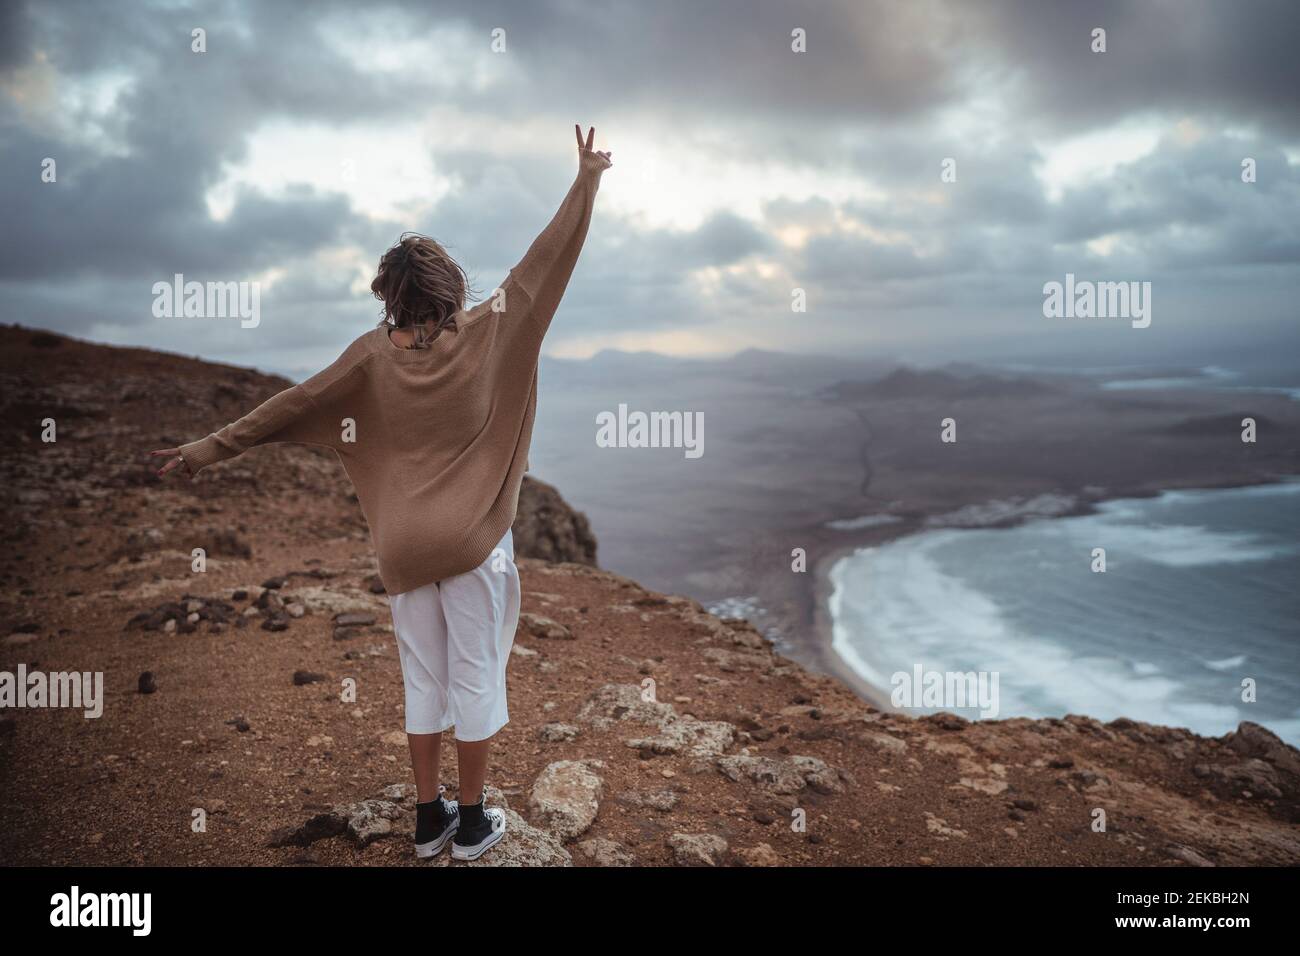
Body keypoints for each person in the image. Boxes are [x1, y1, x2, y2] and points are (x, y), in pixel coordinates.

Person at [152, 125, 612, 861]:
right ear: (448, 286)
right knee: (475, 676)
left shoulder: (369, 357)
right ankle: (471, 823)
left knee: (423, 679)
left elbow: (294, 404)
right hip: (471, 544)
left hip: (402, 549)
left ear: (388, 297)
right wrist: (586, 181)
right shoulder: (493, 328)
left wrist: (209, 449)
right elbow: (547, 258)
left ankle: (427, 821)